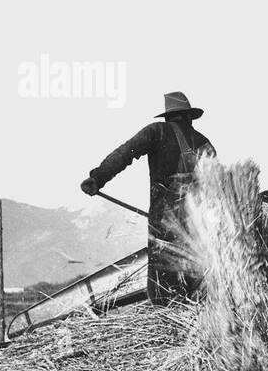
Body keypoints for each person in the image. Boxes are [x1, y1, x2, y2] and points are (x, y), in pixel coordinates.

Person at [81, 91, 215, 305]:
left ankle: (169, 317)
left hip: (164, 221)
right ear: (189, 116)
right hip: (199, 224)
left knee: (164, 284)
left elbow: (125, 153)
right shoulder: (204, 143)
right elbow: (217, 184)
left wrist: (97, 178)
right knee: (196, 278)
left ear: (168, 116)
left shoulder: (157, 131)